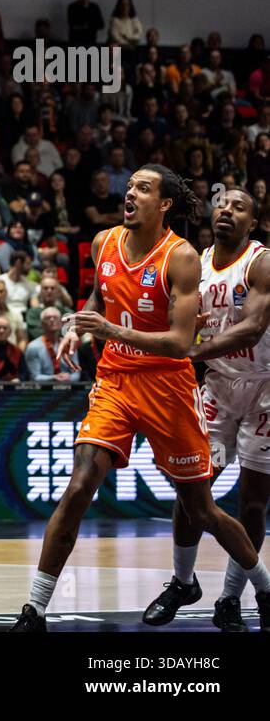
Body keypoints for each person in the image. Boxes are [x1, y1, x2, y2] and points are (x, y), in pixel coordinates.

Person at [12, 166, 270, 631]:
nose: (130, 193)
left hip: (171, 386)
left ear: (165, 203)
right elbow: (98, 298)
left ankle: (262, 587)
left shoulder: (182, 257)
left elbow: (179, 343)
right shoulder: (103, 242)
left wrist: (110, 329)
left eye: (142, 188)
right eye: (129, 186)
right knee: (79, 485)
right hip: (116, 380)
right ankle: (35, 608)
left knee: (202, 507)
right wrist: (80, 325)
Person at [144, 187, 270, 631]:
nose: (227, 210)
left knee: (253, 504)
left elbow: (253, 328)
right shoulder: (194, 263)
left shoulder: (261, 261)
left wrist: (191, 352)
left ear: (252, 224)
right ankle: (182, 581)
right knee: (192, 490)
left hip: (264, 389)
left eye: (239, 207)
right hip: (217, 387)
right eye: (222, 203)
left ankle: (232, 599)